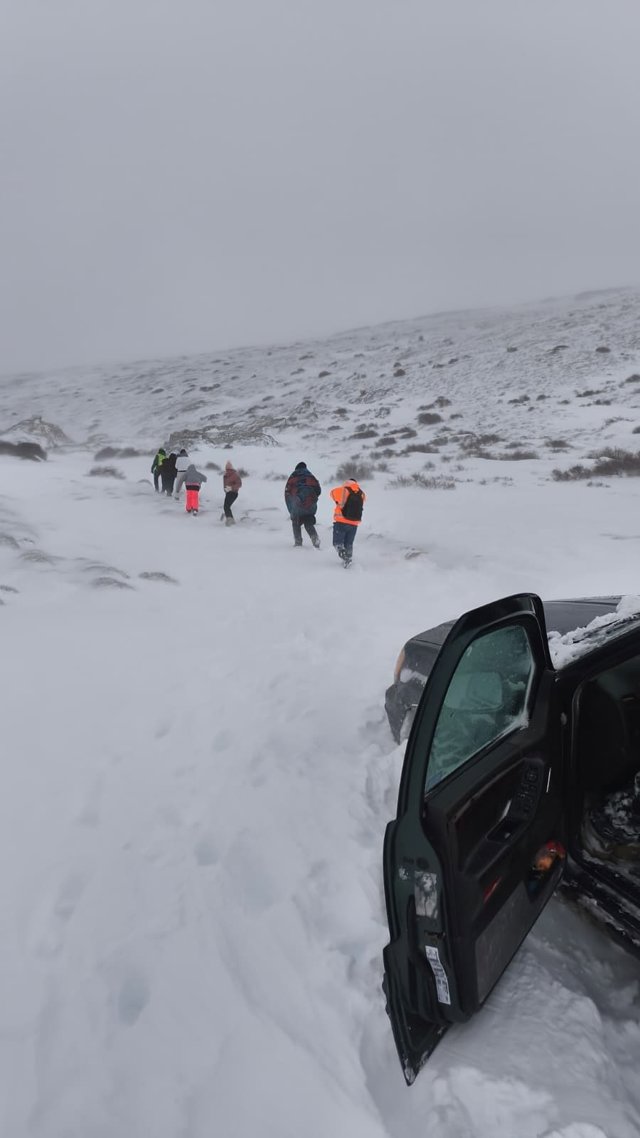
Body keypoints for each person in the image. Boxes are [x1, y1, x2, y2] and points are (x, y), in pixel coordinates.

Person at [330, 477, 366, 566]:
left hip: (341, 521)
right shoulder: (362, 494)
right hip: (354, 524)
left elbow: (331, 493)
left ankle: (344, 557)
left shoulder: (343, 490)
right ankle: (348, 560)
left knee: (337, 543)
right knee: (349, 544)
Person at [284, 461, 321, 548]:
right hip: (310, 506)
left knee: (296, 522)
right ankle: (315, 540)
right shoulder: (311, 477)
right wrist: (312, 500)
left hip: (297, 505)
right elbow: (318, 491)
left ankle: (298, 543)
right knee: (308, 522)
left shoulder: (293, 477)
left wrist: (291, 509)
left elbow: (287, 494)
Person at [222, 461, 242, 525]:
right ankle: (231, 519)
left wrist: (231, 488)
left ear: (232, 469)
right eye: (227, 469)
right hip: (228, 493)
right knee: (226, 506)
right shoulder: (225, 476)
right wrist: (225, 490)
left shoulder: (235, 475)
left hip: (234, 493)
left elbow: (239, 484)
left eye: (229, 469)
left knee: (226, 506)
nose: (228, 470)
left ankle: (230, 520)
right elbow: (225, 485)